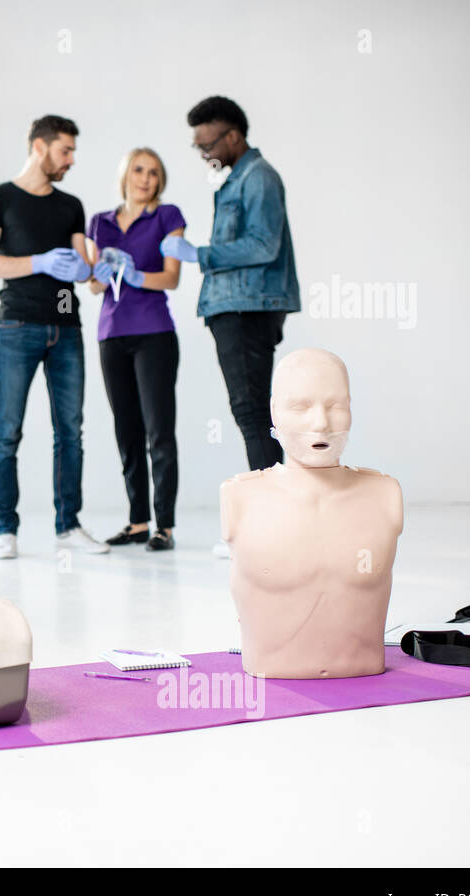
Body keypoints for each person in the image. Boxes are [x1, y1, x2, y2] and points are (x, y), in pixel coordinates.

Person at [161, 96, 300, 555]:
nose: (204, 153)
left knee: (253, 413)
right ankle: (275, 520)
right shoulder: (237, 179)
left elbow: (263, 245)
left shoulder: (258, 177)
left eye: (207, 144)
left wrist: (199, 254)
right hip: (234, 308)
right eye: (198, 146)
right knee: (252, 412)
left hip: (247, 310)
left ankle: (271, 526)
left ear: (233, 135)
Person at [0, 114, 109, 560]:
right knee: (7, 431)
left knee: (70, 430)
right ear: (39, 147)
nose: (71, 159)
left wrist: (93, 268)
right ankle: (5, 530)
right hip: (18, 328)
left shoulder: (71, 204)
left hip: (67, 329)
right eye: (65, 150)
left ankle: (68, 526)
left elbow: (84, 265)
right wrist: (39, 262)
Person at [84, 146, 185, 552]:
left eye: (154, 173)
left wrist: (137, 274)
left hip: (155, 333)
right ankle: (138, 521)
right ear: (126, 174)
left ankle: (166, 526)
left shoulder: (168, 216)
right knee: (127, 431)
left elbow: (172, 278)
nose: (146, 178)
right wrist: (102, 275)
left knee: (159, 431)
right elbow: (92, 284)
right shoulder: (100, 222)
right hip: (112, 335)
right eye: (140, 170)